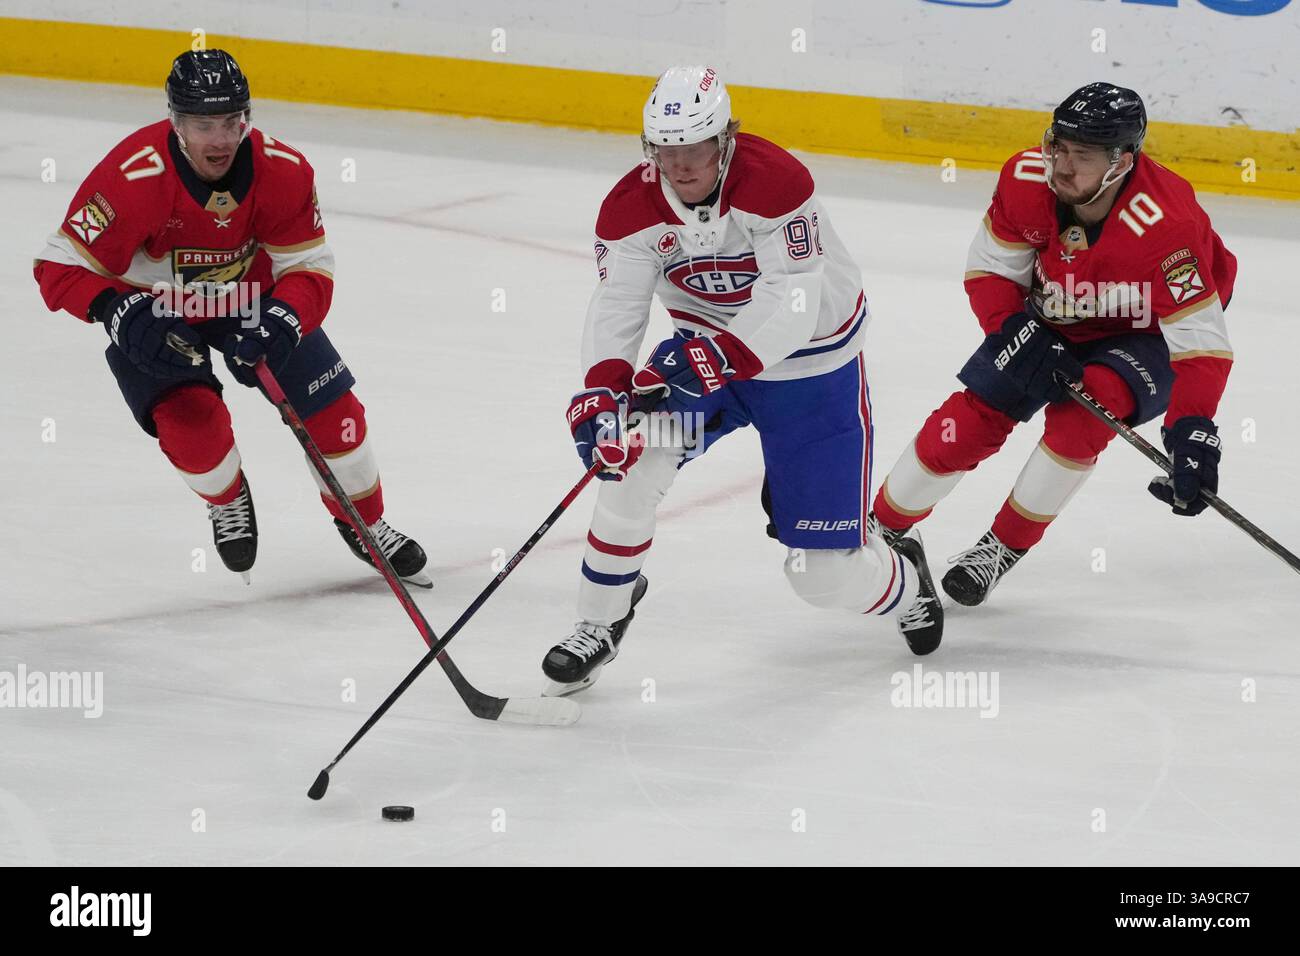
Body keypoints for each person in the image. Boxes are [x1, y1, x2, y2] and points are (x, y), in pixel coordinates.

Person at [542, 65, 945, 697]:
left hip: (812, 370)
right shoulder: (630, 208)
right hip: (709, 366)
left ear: (726, 139)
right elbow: (617, 305)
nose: (679, 165)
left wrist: (711, 358)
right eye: (664, 150)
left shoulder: (776, 182)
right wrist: (602, 391)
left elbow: (795, 303)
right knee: (630, 468)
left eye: (695, 148)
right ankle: (598, 621)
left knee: (822, 578)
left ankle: (902, 583)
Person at [33, 49, 430, 586]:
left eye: (230, 121)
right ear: (176, 122)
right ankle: (226, 496)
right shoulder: (133, 177)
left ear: (248, 117)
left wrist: (284, 319)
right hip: (158, 312)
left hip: (251, 301)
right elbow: (57, 266)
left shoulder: (283, 171)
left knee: (338, 416)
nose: (219, 139)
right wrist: (116, 309)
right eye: (202, 124)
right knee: (194, 433)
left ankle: (365, 521)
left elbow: (309, 267)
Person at [869, 83, 1237, 605]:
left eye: (1081, 156)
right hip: (1049, 320)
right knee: (972, 419)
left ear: (1122, 161)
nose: (1061, 166)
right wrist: (1011, 328)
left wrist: (1192, 430)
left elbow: (1200, 344)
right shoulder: (1025, 182)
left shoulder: (1166, 226)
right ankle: (876, 529)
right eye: (1058, 147)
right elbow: (992, 270)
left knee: (1085, 413)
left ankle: (1000, 548)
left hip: (1144, 333)